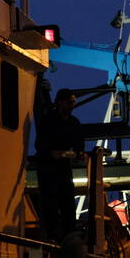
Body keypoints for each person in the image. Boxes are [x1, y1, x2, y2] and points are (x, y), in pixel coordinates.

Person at [34, 84, 84, 241]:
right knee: (50, 202)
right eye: (70, 102)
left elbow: (78, 146)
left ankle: (69, 233)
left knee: (67, 201)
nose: (72, 106)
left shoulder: (73, 123)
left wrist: (77, 153)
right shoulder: (48, 121)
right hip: (47, 168)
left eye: (73, 102)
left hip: (62, 168)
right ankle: (52, 235)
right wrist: (53, 153)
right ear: (60, 103)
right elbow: (40, 145)